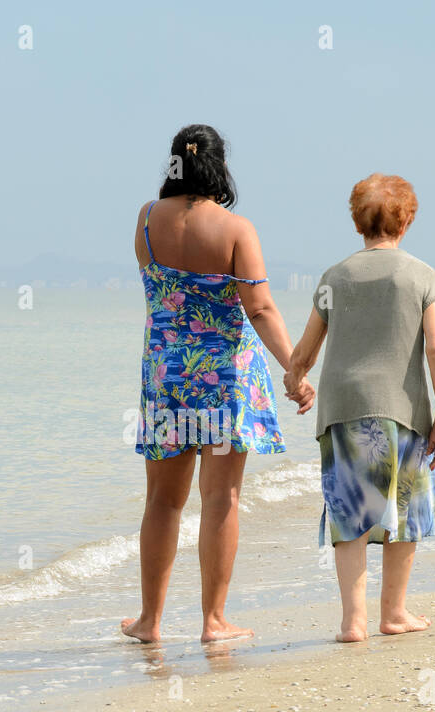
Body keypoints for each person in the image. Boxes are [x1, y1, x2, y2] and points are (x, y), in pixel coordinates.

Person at [122, 124, 311, 644]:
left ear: (173, 164)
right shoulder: (235, 229)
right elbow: (261, 307)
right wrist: (295, 366)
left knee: (162, 501)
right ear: (219, 166)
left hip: (166, 378)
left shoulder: (144, 220)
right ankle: (213, 621)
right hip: (224, 383)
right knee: (221, 498)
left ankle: (149, 622)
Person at [286, 173, 435, 643]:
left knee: (350, 513)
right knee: (404, 508)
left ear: (358, 221)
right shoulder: (421, 275)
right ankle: (393, 613)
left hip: (341, 406)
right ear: (408, 219)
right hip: (401, 408)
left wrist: (295, 379)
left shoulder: (334, 277)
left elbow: (307, 347)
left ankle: (352, 622)